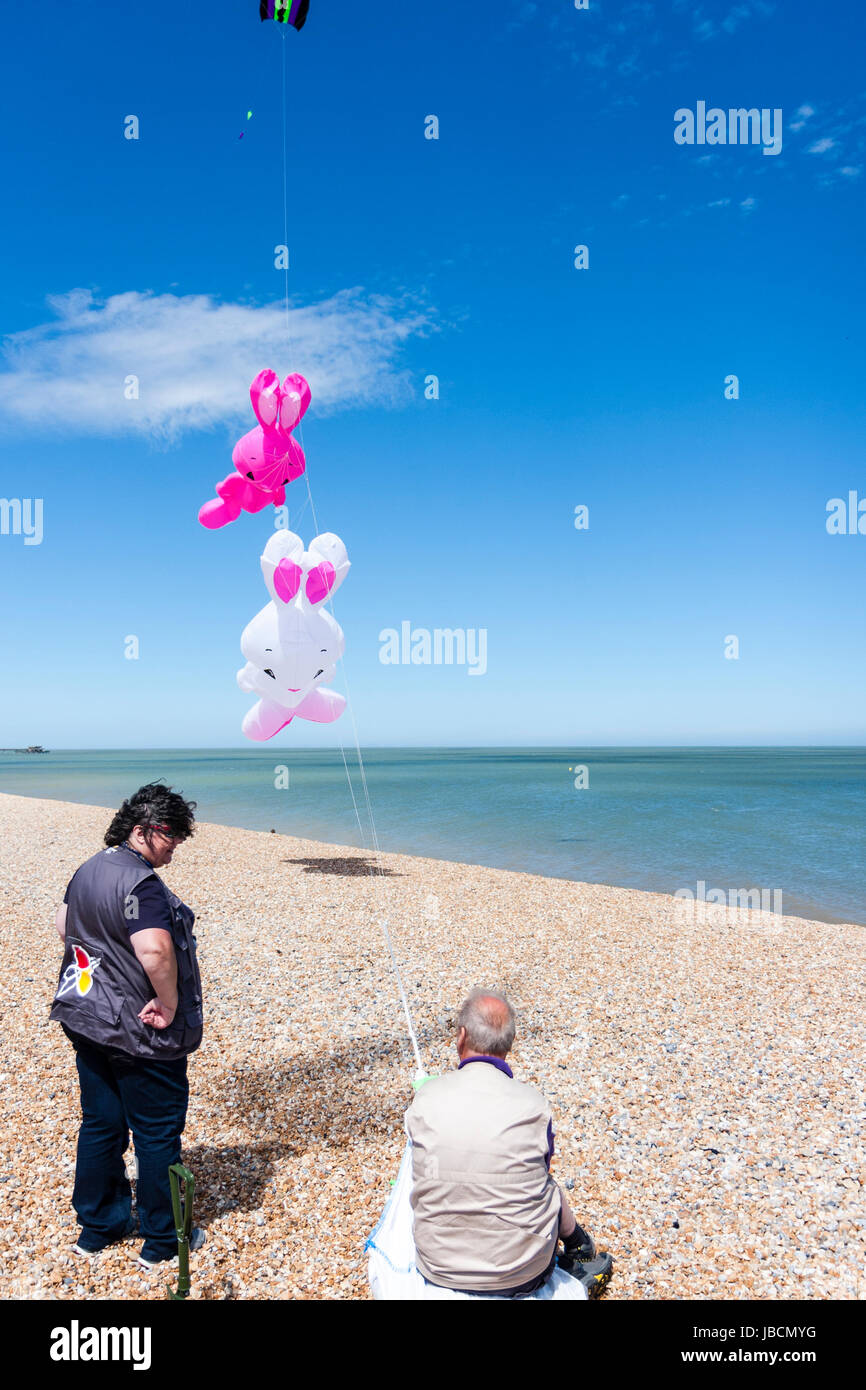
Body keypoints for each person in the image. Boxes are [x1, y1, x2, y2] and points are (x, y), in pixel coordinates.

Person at [50, 782, 205, 1271]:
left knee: (101, 1122)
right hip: (138, 1029)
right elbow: (156, 951)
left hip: (86, 1014)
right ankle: (161, 1240)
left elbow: (65, 924)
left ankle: (98, 1229)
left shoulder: (89, 869)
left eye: (181, 835)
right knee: (157, 1133)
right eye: (170, 834)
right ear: (140, 830)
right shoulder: (143, 885)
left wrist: (104, 958)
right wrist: (167, 1001)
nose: (176, 843)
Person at [402, 988, 612, 1298]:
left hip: (438, 1268)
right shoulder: (534, 1105)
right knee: (542, 1182)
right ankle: (578, 1245)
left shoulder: (426, 1098)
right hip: (521, 1274)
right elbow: (540, 1176)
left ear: (461, 1036)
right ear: (509, 1044)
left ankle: (577, 1244)